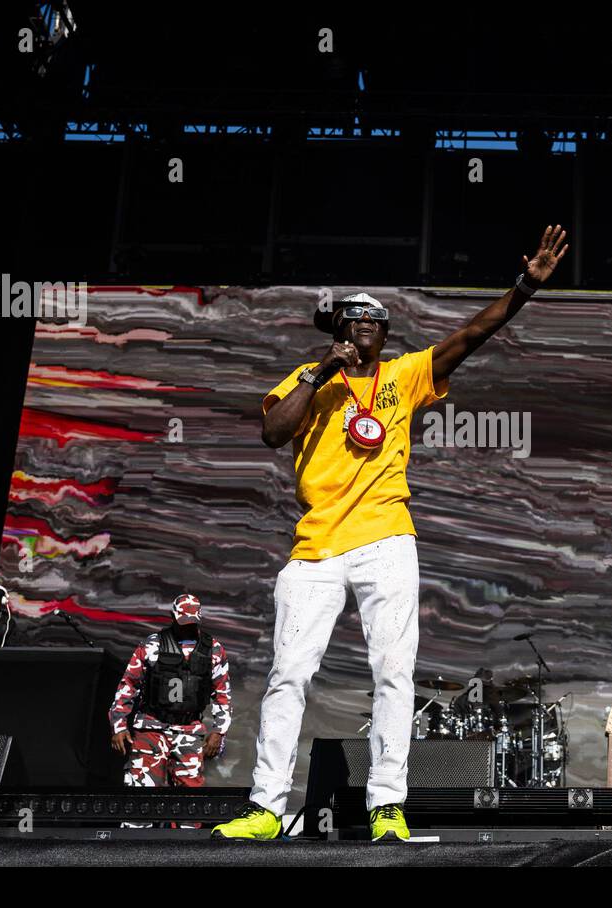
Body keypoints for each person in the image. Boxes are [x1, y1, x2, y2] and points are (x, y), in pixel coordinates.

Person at [213, 225, 570, 841]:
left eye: (375, 323)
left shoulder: (404, 377)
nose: (364, 330)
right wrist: (319, 373)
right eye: (353, 323)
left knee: (393, 673)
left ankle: (386, 805)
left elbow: (471, 335)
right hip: (316, 547)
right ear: (338, 334)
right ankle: (267, 808)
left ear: (386, 334)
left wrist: (524, 288)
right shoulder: (309, 379)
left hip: (386, 539)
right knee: (289, 674)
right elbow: (273, 433)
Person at [109, 594, 232, 807]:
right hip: (151, 728)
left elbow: (222, 694)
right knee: (141, 800)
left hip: (189, 730)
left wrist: (219, 732)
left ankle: (184, 841)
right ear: (173, 617)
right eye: (183, 621)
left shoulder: (213, 649)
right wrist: (118, 726)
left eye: (192, 622)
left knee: (190, 804)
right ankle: (135, 840)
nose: (188, 627)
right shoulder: (151, 646)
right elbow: (128, 685)